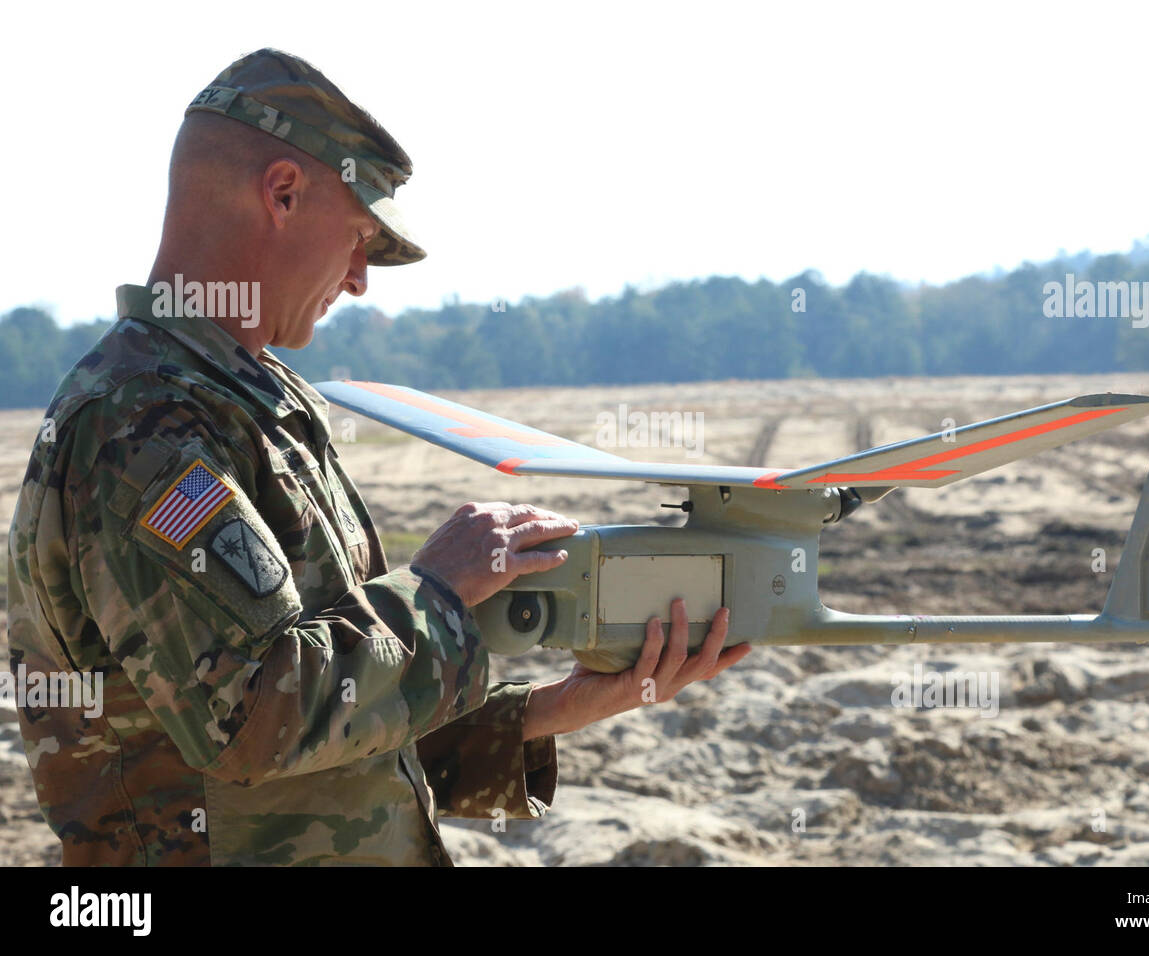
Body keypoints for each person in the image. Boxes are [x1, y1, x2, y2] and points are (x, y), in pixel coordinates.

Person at [5, 48, 749, 866]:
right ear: (282, 193)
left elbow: (341, 736)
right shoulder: (140, 422)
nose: (361, 279)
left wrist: (555, 708)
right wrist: (436, 591)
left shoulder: (249, 401)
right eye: (360, 235)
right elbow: (256, 722)